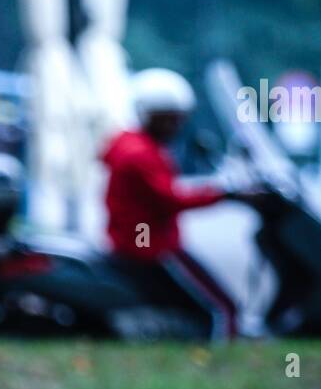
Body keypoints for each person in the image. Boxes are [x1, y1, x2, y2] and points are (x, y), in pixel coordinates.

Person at [101, 68, 242, 339]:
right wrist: (225, 195)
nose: (175, 128)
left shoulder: (128, 143)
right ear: (148, 115)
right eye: (169, 120)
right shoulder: (140, 153)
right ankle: (223, 348)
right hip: (151, 248)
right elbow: (169, 198)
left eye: (178, 120)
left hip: (136, 242)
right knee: (219, 306)